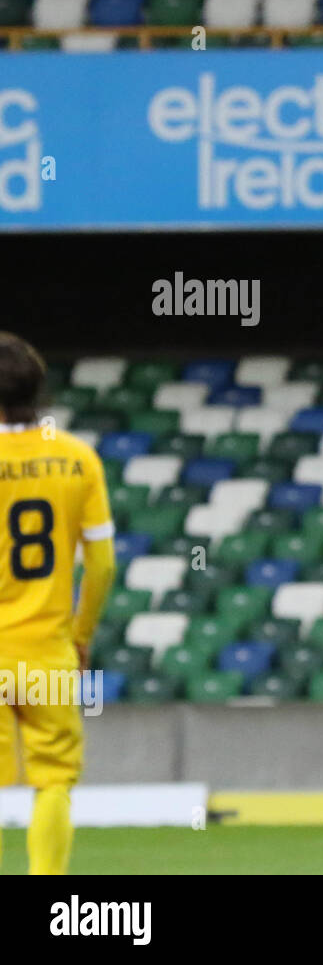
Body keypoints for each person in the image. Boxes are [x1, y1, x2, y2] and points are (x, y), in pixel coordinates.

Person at [0, 332, 115, 874]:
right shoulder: (78, 458)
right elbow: (103, 564)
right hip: (48, 651)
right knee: (53, 781)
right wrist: (81, 633)